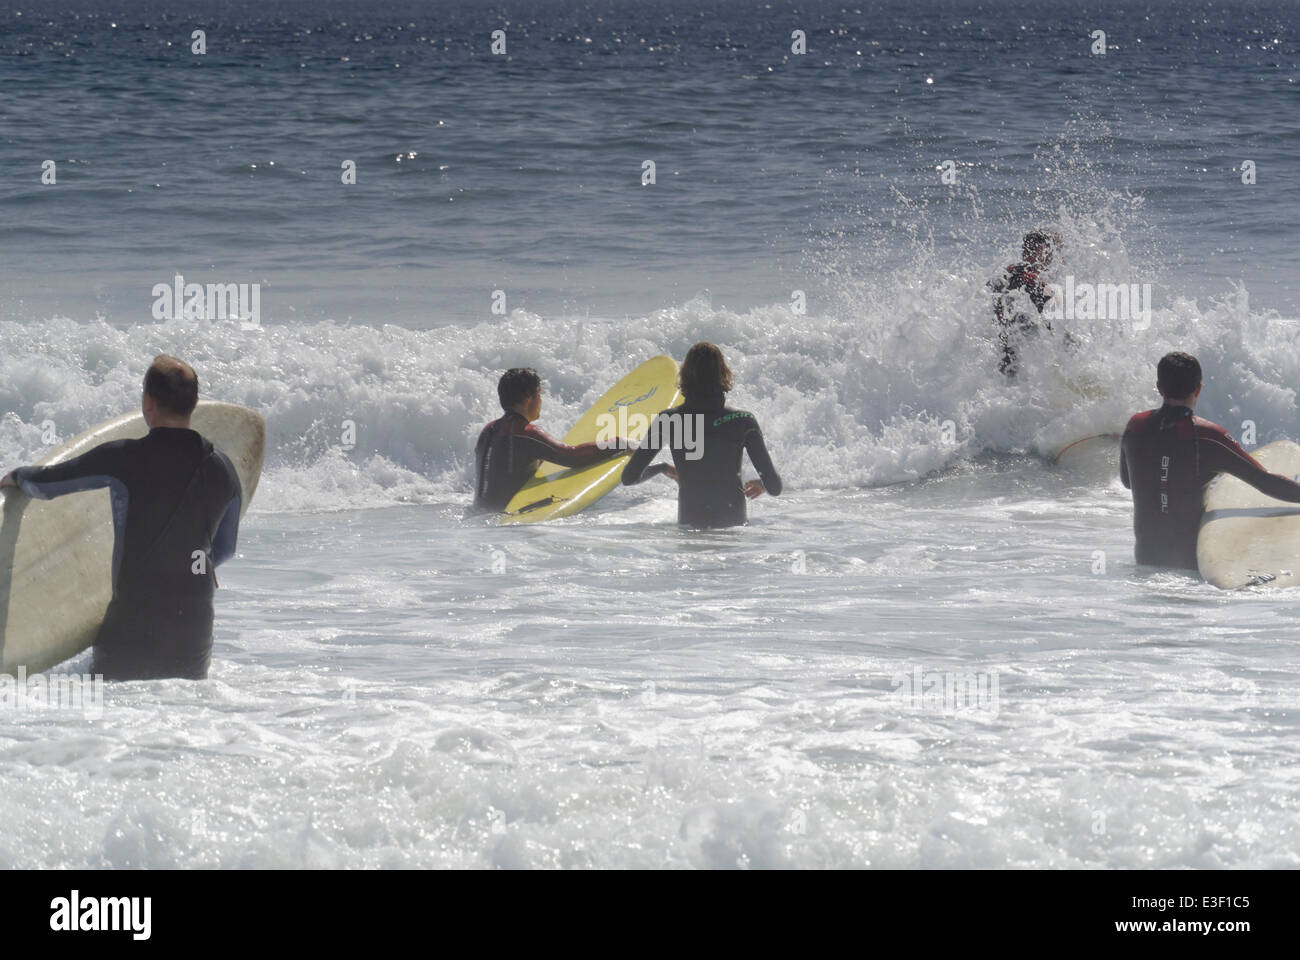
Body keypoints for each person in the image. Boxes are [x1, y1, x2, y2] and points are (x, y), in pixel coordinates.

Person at [0, 356, 242, 680]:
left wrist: (17, 477)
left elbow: (50, 482)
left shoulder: (123, 457)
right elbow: (222, 550)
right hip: (193, 650)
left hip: (130, 646)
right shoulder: (224, 470)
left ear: (148, 401)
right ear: (195, 403)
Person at [1120, 351, 1300, 570]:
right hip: (1192, 573)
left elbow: (1128, 481)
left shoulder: (1135, 426)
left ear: (1159, 388)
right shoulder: (1207, 436)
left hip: (1144, 568)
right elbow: (1265, 482)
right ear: (1198, 389)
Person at [622, 342, 782, 528]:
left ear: (685, 376)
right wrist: (763, 483)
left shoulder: (669, 420)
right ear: (723, 374)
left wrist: (661, 467)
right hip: (733, 534)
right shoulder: (743, 421)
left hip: (691, 533)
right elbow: (775, 487)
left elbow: (630, 477)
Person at [472, 367, 624, 513]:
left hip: (479, 514)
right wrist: (618, 443)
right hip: (510, 518)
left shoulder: (488, 431)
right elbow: (573, 456)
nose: (540, 401)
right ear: (529, 398)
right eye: (539, 394)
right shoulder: (525, 433)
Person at [989, 230, 1062, 376]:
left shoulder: (1009, 271)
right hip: (1013, 345)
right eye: (1055, 252)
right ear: (1042, 252)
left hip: (1002, 344)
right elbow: (1049, 324)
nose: (1058, 258)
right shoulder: (1031, 278)